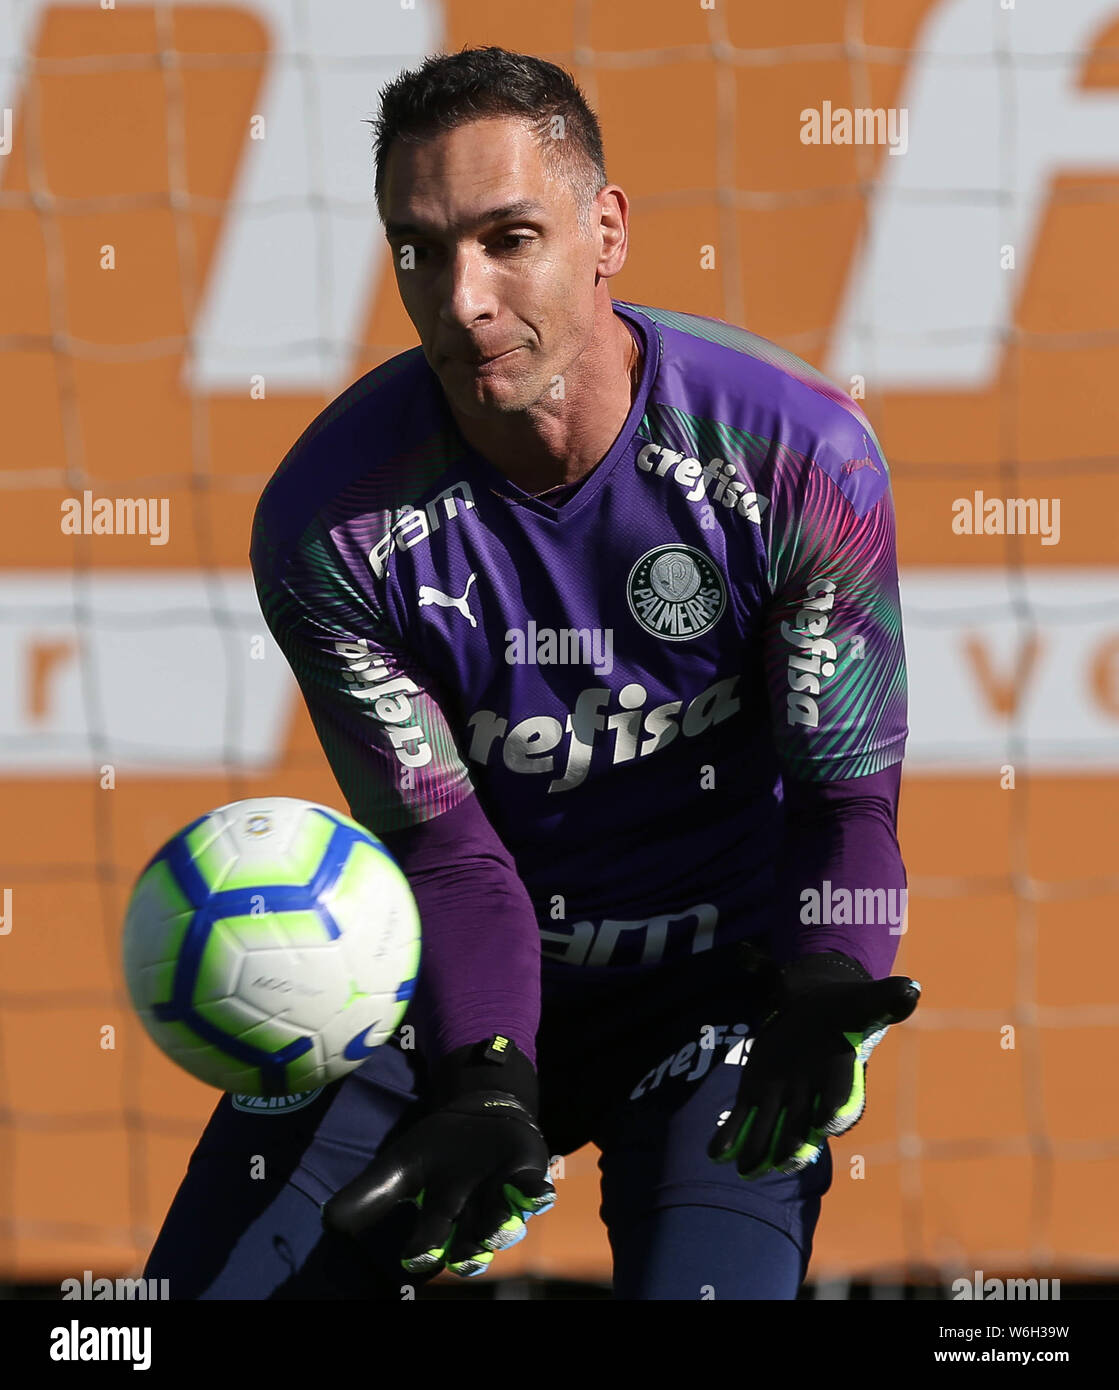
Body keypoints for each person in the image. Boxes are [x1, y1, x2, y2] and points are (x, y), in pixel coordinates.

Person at [144, 44, 918, 1301]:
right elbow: (449, 853)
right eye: (422, 248)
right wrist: (488, 1071)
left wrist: (826, 979)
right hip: (454, 978)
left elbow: (844, 803)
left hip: (727, 999)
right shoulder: (326, 525)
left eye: (510, 237)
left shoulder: (797, 457)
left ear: (606, 231)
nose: (464, 299)